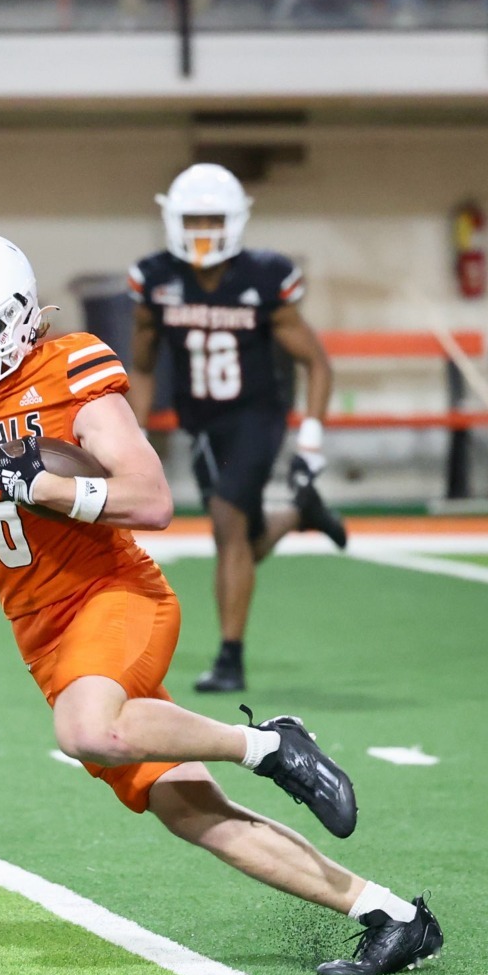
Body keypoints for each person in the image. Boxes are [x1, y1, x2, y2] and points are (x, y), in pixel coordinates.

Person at [0, 232, 442, 975]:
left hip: (115, 596)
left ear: (20, 320)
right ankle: (389, 915)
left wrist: (47, 487)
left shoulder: (67, 369)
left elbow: (150, 500)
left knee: (85, 728)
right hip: (43, 637)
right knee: (190, 811)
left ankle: (271, 746)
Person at [127, 164, 345, 695]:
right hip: (198, 420)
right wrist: (131, 434)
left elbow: (316, 361)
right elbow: (143, 364)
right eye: (193, 219)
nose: (203, 231)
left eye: (213, 219)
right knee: (241, 538)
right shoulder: (156, 279)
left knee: (226, 525)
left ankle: (230, 658)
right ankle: (298, 513)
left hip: (257, 414)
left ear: (235, 221)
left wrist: (311, 435)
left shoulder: (265, 276)